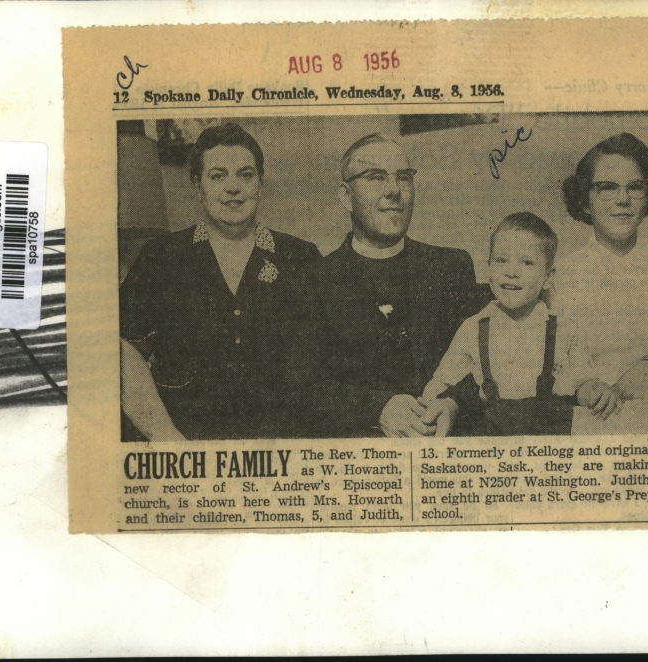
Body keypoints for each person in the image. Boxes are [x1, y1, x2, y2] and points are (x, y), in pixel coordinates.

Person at [119, 123, 320, 440]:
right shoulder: (162, 257)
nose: (233, 187)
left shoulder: (301, 258)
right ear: (198, 187)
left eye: (245, 174)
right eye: (218, 176)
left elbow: (325, 364)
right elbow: (124, 347)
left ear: (260, 184)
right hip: (185, 444)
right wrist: (165, 438)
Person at [290, 133, 486, 438]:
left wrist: (453, 405)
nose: (393, 190)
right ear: (345, 196)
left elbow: (486, 362)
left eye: (404, 178)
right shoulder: (313, 280)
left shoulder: (451, 267)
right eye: (376, 177)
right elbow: (302, 387)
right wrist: (377, 408)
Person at [555, 132, 648, 433]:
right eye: (607, 188)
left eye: (635, 187)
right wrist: (642, 388)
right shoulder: (561, 276)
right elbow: (567, 371)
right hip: (592, 415)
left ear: (647, 197)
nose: (623, 199)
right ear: (584, 201)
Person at [421, 213, 575, 436]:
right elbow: (443, 380)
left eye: (527, 262)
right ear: (488, 267)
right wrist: (429, 404)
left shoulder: (564, 329)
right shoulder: (473, 328)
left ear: (548, 277)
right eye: (501, 260)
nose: (511, 272)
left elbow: (583, 381)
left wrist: (593, 389)